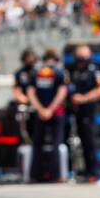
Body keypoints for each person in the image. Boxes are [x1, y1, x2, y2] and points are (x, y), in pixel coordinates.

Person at [27, 48, 68, 182]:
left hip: (40, 113)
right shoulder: (59, 72)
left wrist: (40, 109)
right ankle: (55, 175)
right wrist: (50, 109)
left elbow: (31, 93)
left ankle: (35, 175)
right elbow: (62, 92)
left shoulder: (36, 71)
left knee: (37, 144)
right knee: (56, 143)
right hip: (55, 112)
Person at [67, 44, 100, 181]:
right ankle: (83, 170)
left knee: (90, 143)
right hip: (75, 112)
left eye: (84, 58)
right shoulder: (73, 71)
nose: (81, 61)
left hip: (89, 111)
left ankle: (93, 172)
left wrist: (83, 98)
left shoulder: (94, 71)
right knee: (80, 143)